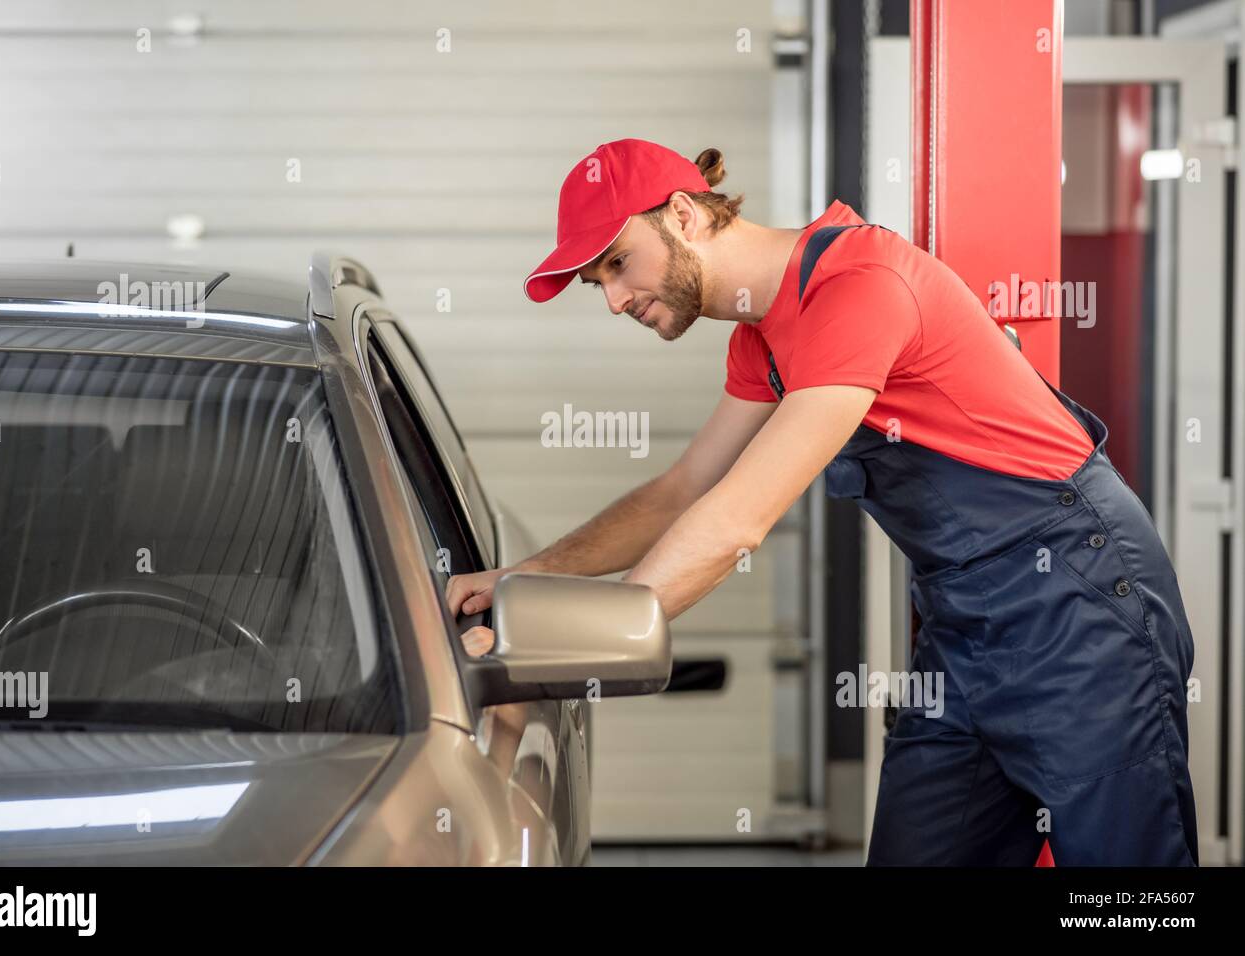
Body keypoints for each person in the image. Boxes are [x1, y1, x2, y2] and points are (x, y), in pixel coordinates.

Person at [446, 138, 1198, 866]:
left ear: (682, 214)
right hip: (967, 626)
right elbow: (679, 494)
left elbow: (738, 518)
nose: (613, 300)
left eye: (617, 264)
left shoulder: (856, 284)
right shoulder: (761, 340)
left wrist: (554, 641)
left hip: (1083, 606)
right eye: (596, 284)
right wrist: (528, 579)